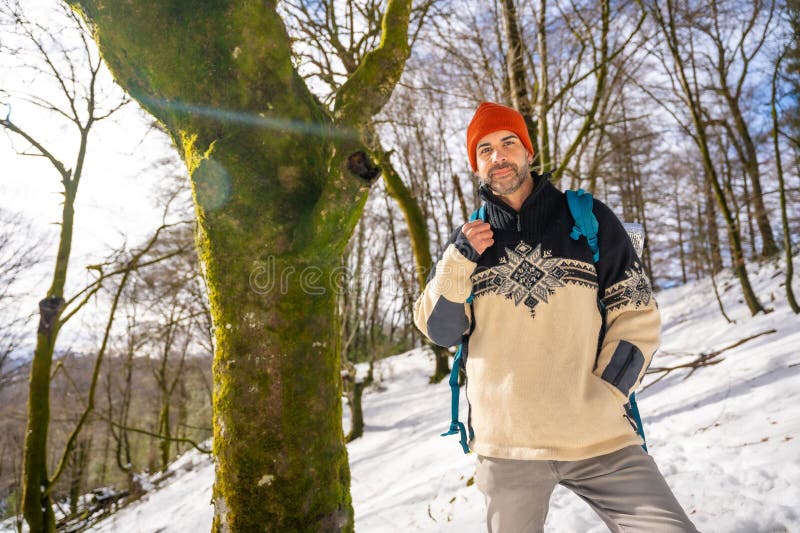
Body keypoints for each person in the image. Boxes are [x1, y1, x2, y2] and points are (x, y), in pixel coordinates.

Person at [413, 102, 698, 532]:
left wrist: (608, 392)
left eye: (508, 143)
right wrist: (458, 261)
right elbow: (441, 330)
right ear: (476, 165)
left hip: (600, 437)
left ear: (529, 151)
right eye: (485, 150)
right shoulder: (466, 243)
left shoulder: (589, 218)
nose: (498, 156)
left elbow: (636, 312)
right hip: (508, 448)